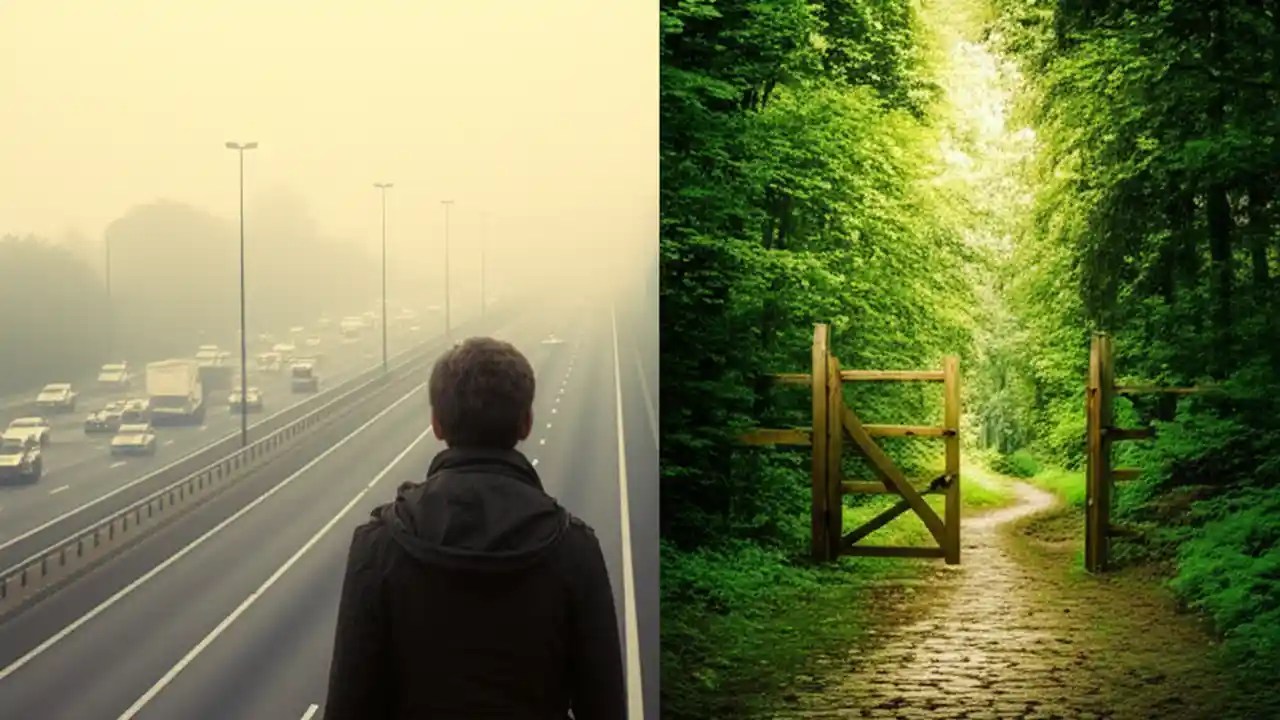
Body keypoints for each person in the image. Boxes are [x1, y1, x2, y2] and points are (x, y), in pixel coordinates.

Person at [323, 336, 626, 719]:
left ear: (436, 424)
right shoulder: (575, 549)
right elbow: (604, 707)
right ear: (526, 423)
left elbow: (349, 707)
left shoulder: (378, 546)